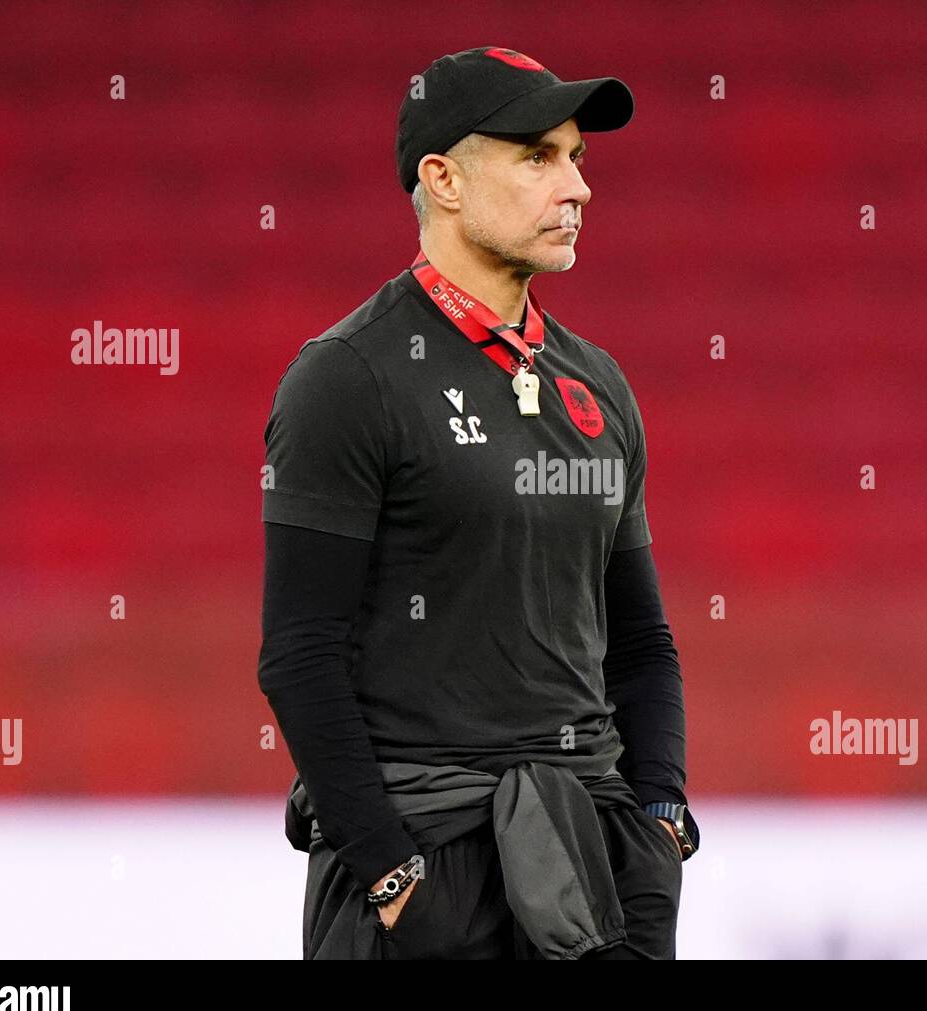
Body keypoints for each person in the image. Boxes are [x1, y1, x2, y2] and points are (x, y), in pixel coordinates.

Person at [257, 46, 699, 960]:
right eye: (539, 156)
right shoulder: (347, 377)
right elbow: (299, 655)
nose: (576, 187)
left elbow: (643, 643)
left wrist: (660, 823)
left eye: (579, 157)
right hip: (430, 867)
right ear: (443, 179)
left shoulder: (600, 384)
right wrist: (391, 878)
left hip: (595, 865)